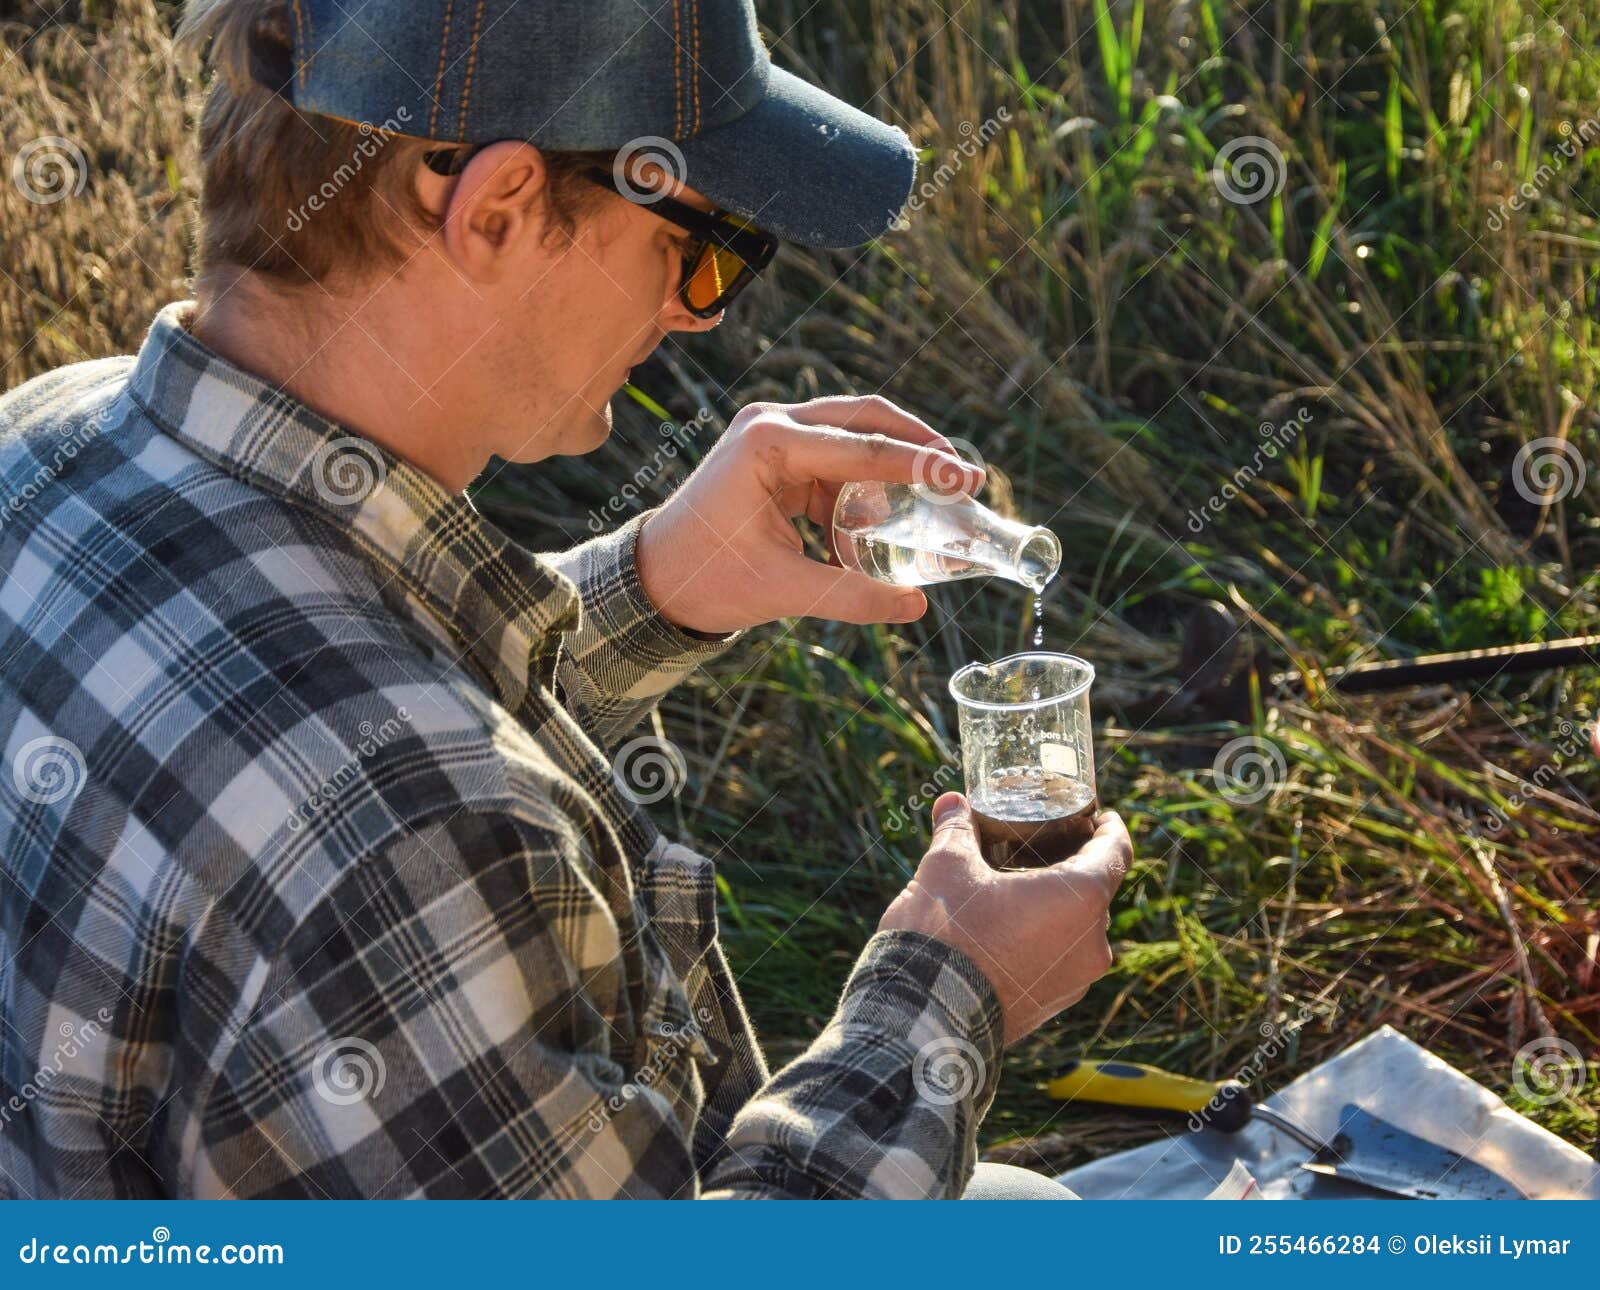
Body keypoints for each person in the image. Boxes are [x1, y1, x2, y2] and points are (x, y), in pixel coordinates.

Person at [0, 0, 1130, 1198]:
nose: (696, 308)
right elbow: (389, 779)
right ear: (495, 211)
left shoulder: (51, 433)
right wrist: (947, 1000)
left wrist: (658, 584)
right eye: (700, 241)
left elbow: (326, 683)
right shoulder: (414, 838)